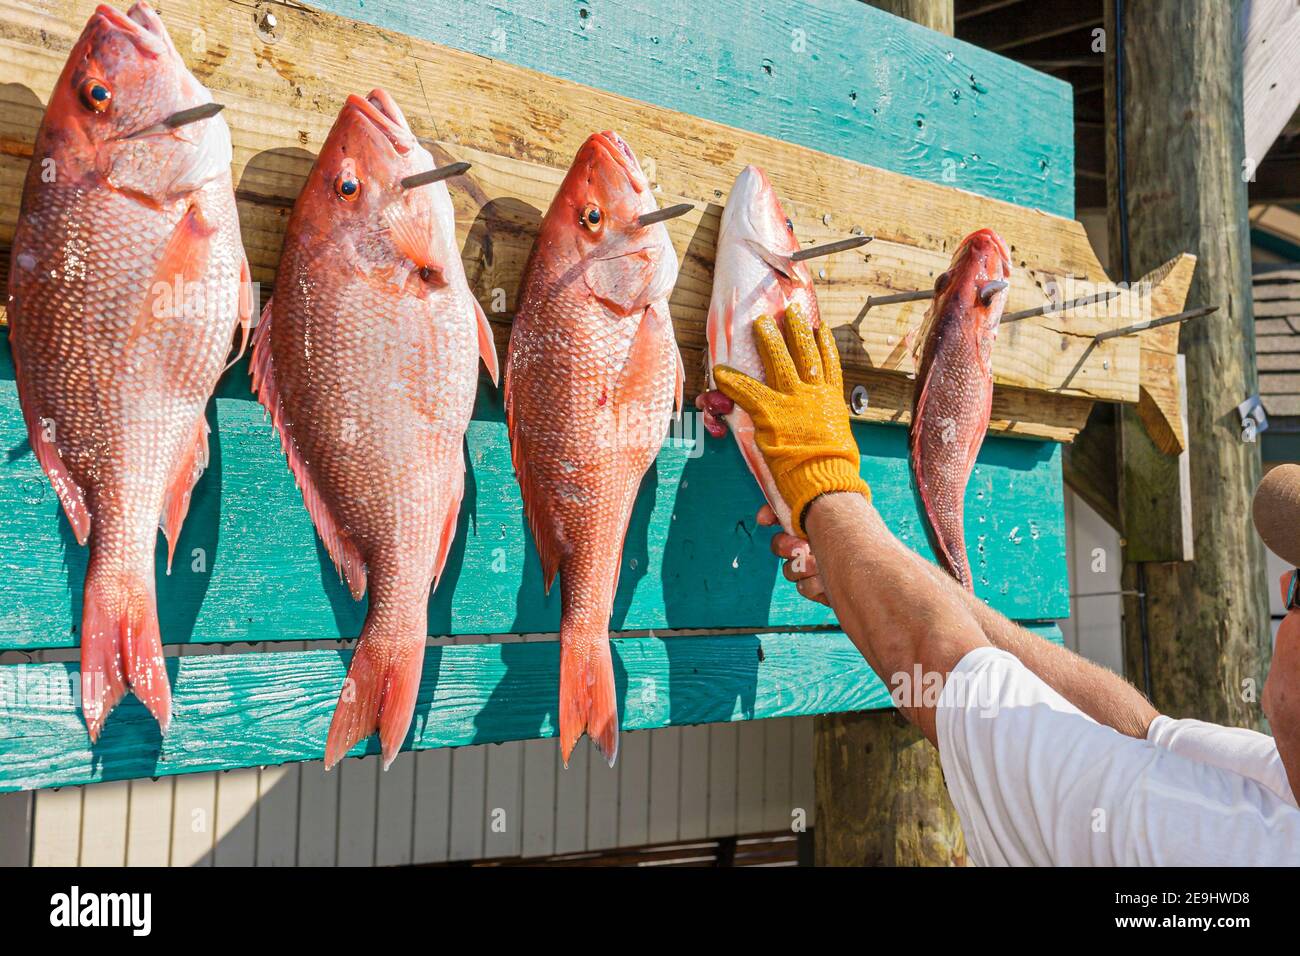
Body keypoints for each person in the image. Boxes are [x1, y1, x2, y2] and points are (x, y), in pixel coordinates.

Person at [710, 307, 1300, 865]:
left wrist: (818, 472)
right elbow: (1141, 733)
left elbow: (945, 670)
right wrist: (869, 571)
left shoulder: (1218, 846)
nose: (1282, 586)